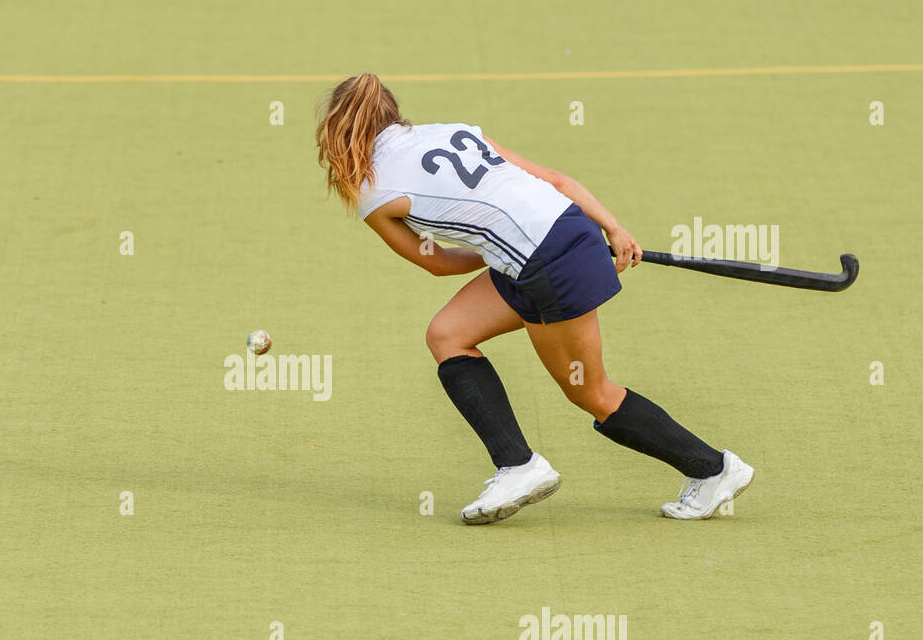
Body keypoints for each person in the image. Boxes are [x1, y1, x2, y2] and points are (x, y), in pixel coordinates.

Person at [315, 73, 754, 523]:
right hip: (564, 232)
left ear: (338, 135)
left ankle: (713, 469)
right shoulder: (454, 132)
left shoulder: (372, 190)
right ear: (392, 113)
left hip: (544, 265)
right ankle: (516, 463)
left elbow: (438, 263)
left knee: (591, 392)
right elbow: (556, 181)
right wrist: (613, 228)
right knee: (448, 334)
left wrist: (498, 245)